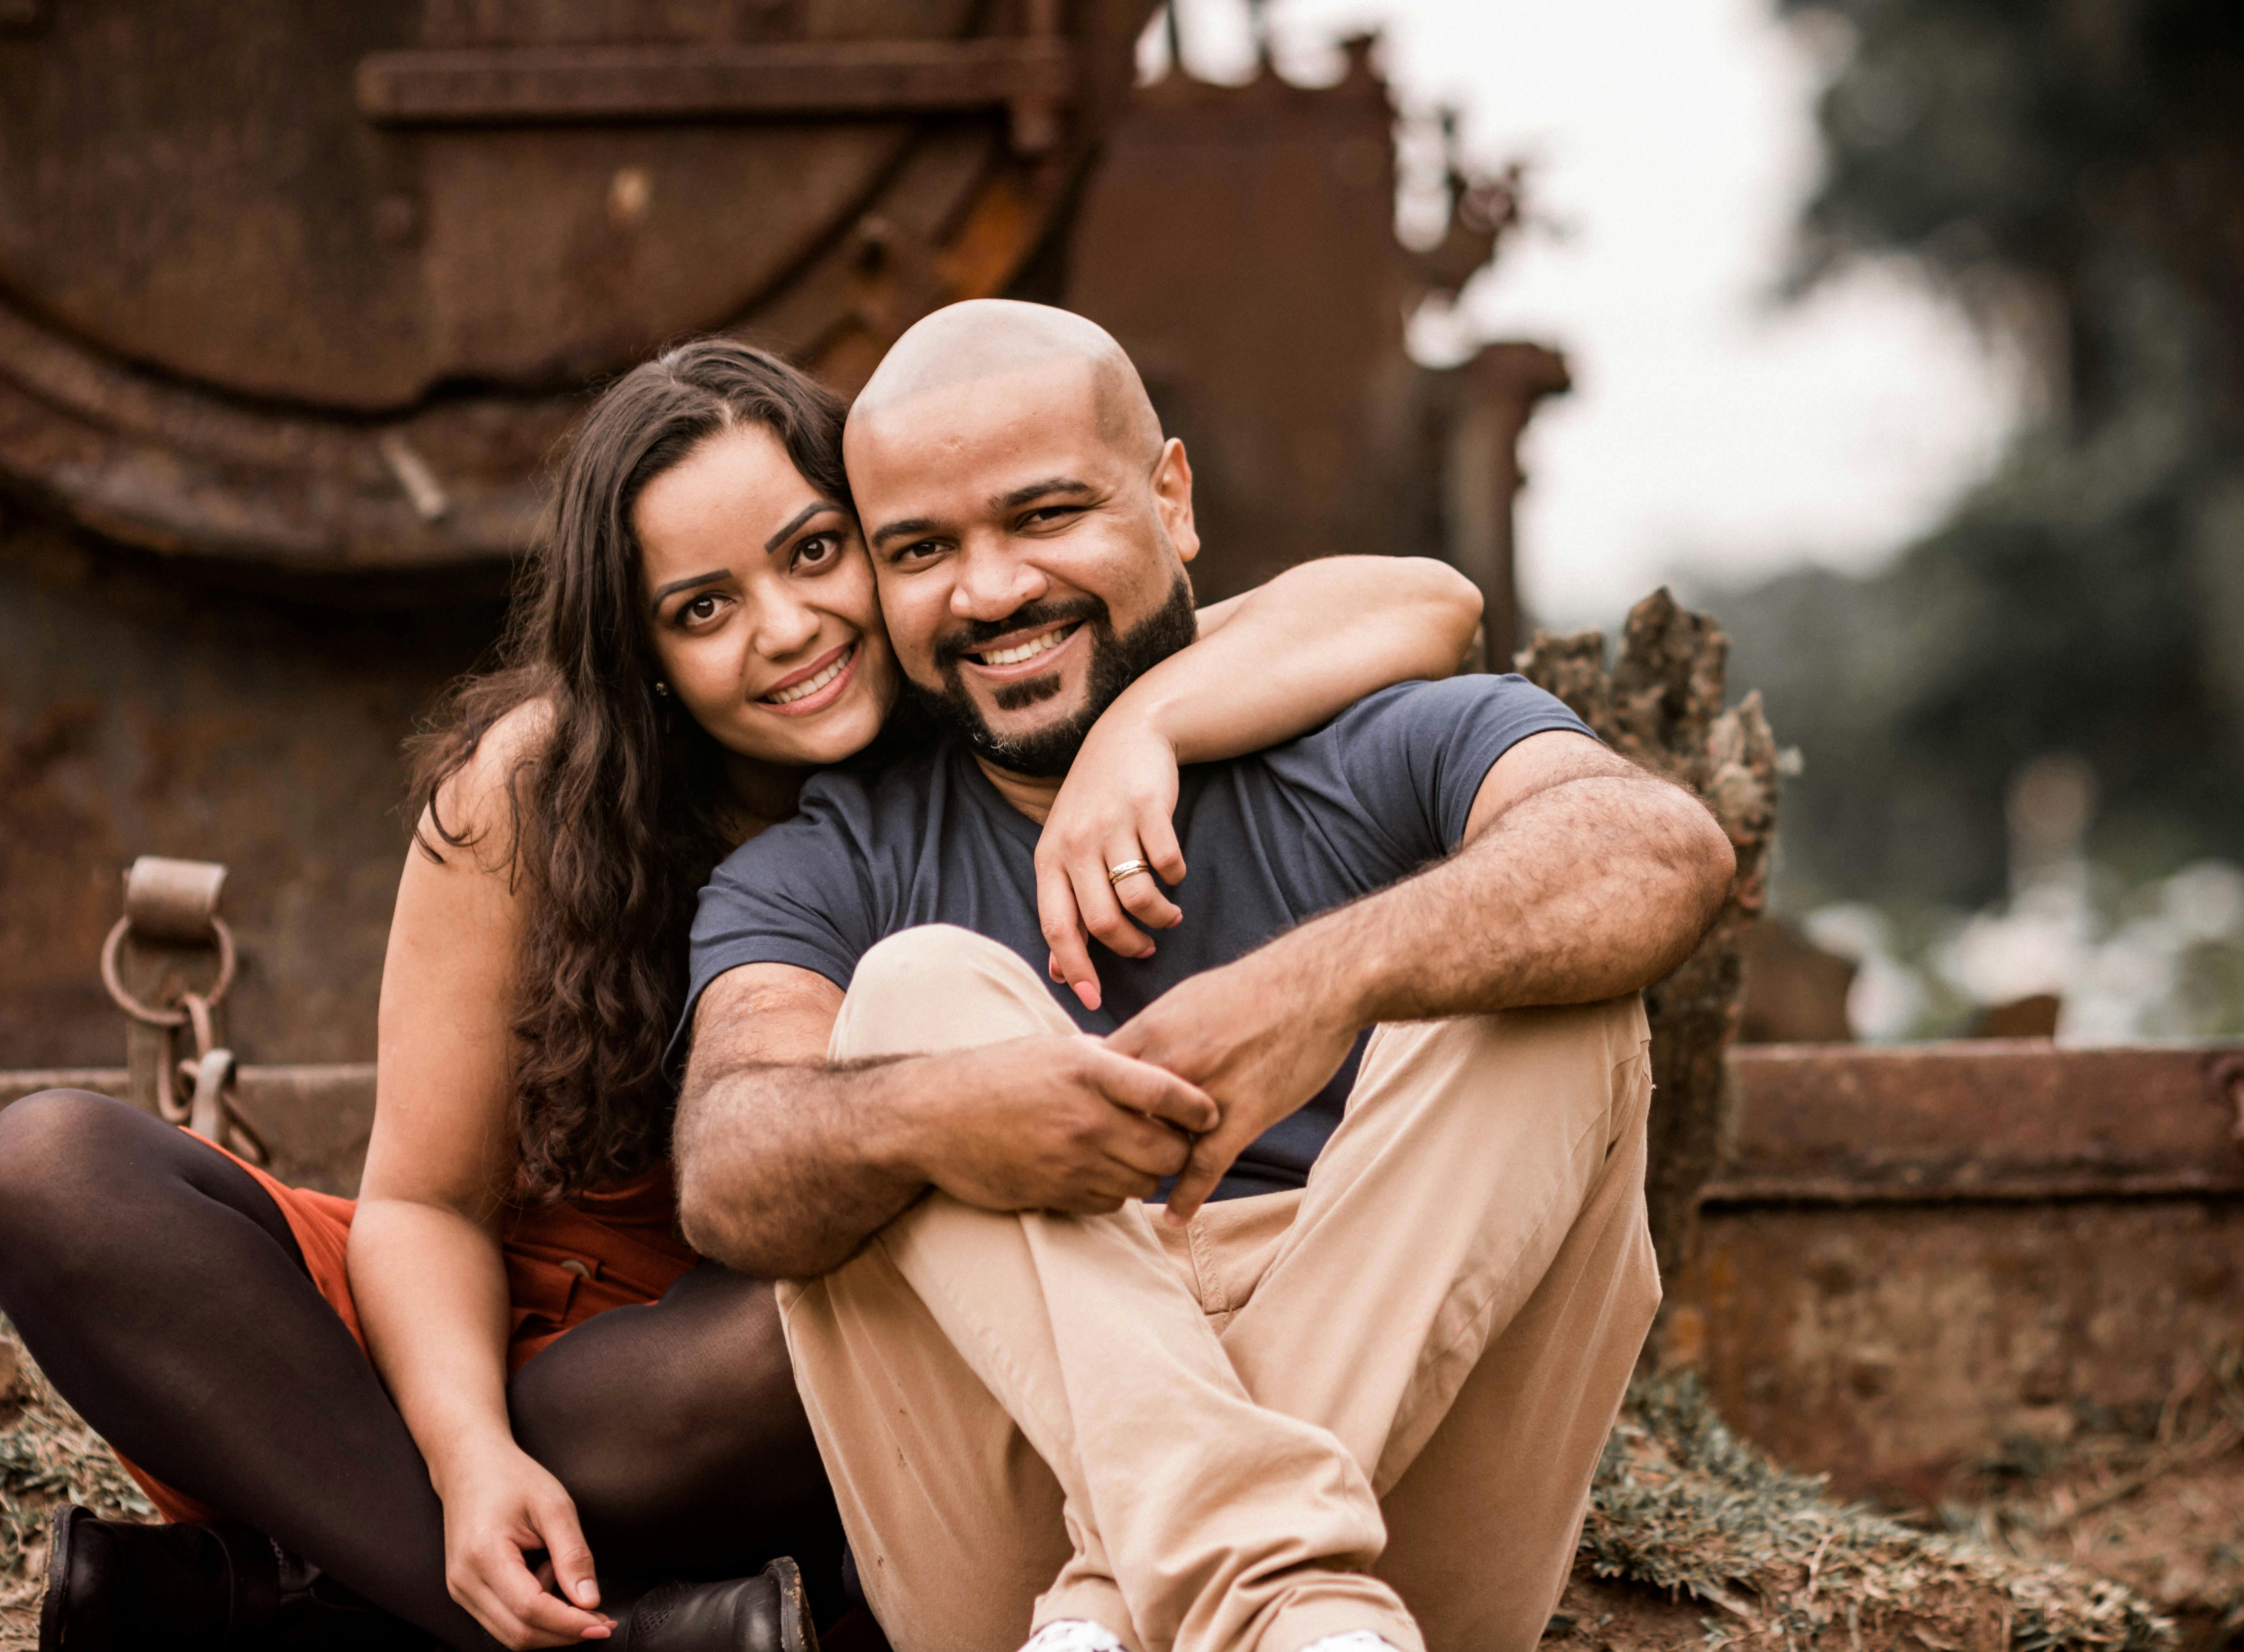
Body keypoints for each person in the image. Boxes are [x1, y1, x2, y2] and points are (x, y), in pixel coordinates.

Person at [0, 337, 1487, 1652]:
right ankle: (580, 1628)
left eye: (817, 552)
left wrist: (1146, 723)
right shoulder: (535, 792)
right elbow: (424, 1206)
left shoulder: (1002, 672)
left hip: (782, 1352)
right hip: (515, 1373)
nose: (788, 630)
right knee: (53, 1170)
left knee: (875, 1261)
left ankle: (284, 1600)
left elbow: (1419, 600)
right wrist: (476, 1456)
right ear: (639, 649)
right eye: (703, 608)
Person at [669, 301, 1740, 1652]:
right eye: (922, 551)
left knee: (1551, 978)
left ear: (1170, 501)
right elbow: (730, 1160)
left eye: (1045, 515)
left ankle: (1135, 1599)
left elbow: (1655, 851)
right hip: (1012, 1536)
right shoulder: (834, 865)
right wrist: (952, 1118)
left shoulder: (1389, 742)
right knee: (916, 999)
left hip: (1409, 1521)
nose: (991, 590)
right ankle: (1278, 1598)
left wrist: (1322, 989)